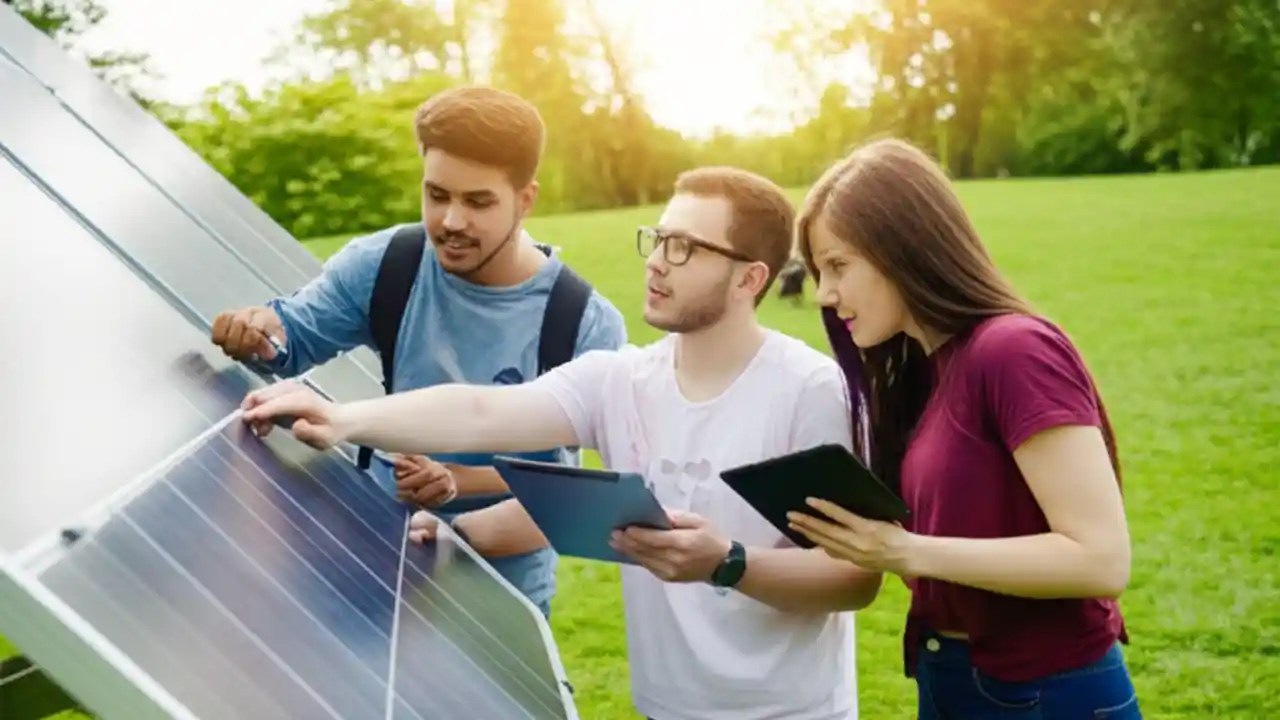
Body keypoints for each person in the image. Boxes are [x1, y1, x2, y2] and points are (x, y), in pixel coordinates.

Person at [240, 166, 884, 720]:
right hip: (664, 707)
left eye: (685, 247)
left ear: (749, 279)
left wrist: (727, 562)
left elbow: (852, 577)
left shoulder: (811, 389)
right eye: (658, 239)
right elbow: (480, 411)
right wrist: (345, 419)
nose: (657, 260)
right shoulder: (621, 379)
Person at [209, 85, 627, 618]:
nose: (451, 221)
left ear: (525, 200)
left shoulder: (583, 323)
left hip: (499, 603)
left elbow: (584, 493)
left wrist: (458, 485)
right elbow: (292, 338)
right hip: (371, 564)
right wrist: (263, 333)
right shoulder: (388, 265)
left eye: (478, 202)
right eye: (437, 195)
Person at [787, 138, 1141, 719]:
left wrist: (908, 551)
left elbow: (1101, 559)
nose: (825, 294)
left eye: (838, 266)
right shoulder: (926, 370)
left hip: (1046, 695)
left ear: (902, 247)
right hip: (955, 680)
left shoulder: (1013, 350)